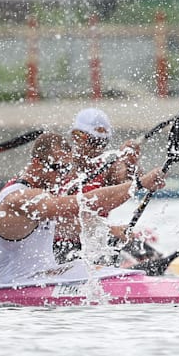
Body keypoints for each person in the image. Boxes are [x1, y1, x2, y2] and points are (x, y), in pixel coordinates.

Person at [0, 132, 166, 288]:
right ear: (37, 164)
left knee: (115, 270)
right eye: (58, 168)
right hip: (17, 287)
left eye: (66, 169)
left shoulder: (39, 196)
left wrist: (112, 230)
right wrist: (140, 184)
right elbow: (85, 202)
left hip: (42, 279)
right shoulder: (21, 198)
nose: (62, 176)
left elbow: (68, 225)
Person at [55, 107, 146, 263]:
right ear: (76, 137)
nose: (97, 148)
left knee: (146, 252)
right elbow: (57, 222)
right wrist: (112, 230)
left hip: (94, 244)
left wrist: (131, 162)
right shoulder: (57, 168)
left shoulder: (107, 167)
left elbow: (134, 183)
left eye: (102, 143)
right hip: (60, 246)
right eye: (92, 141)